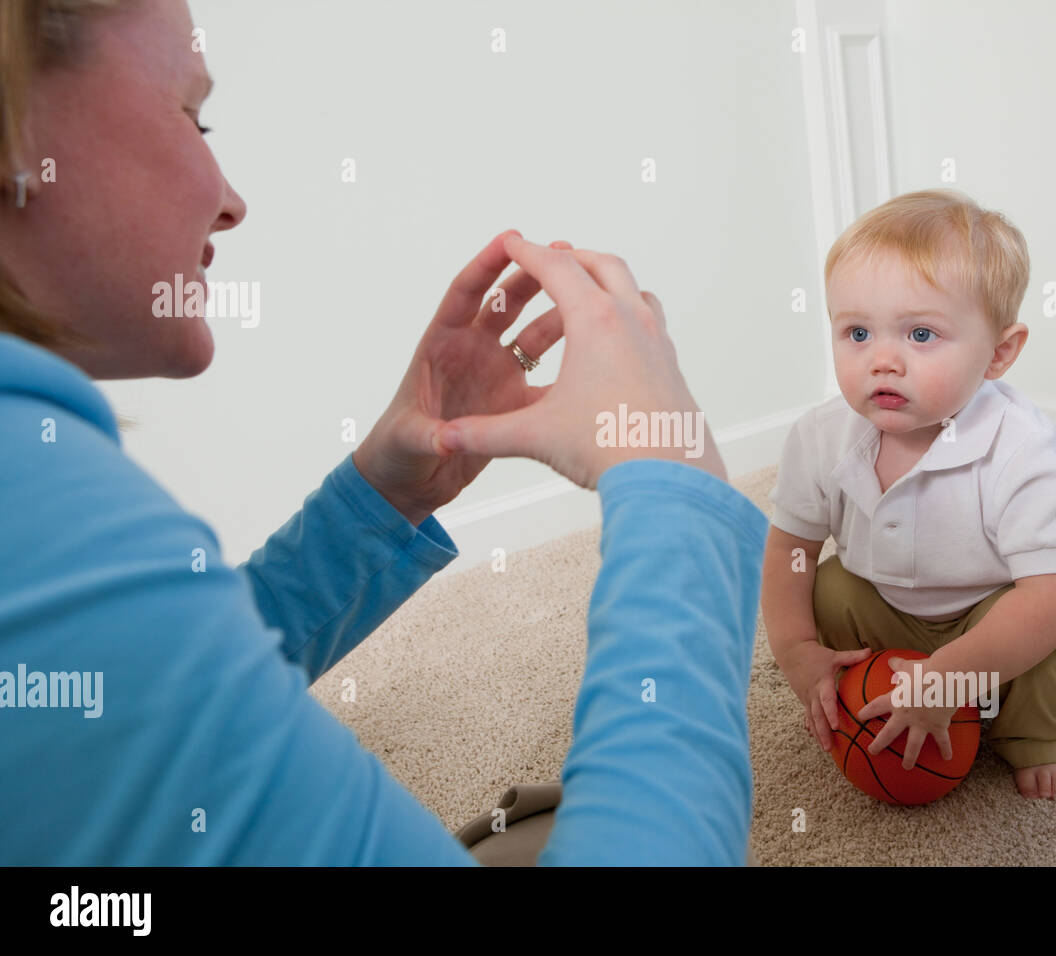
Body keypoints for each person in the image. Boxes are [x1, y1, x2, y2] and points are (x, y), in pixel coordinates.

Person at [0, 0, 767, 865]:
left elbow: (141, 702)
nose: (230, 200)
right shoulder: (37, 518)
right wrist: (679, 491)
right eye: (191, 113)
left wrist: (383, 494)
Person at [762, 190, 1056, 800]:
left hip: (1001, 603)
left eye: (922, 334)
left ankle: (1035, 734)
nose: (883, 360)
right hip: (890, 605)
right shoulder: (822, 435)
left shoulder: (1032, 452)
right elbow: (789, 552)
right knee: (827, 585)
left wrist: (949, 680)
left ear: (999, 353)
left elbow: (1049, 595)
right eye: (857, 331)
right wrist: (797, 650)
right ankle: (887, 684)